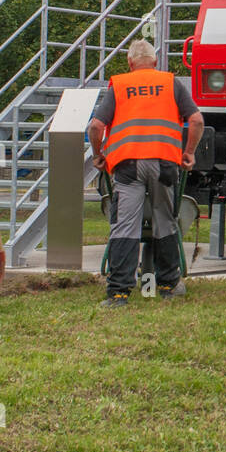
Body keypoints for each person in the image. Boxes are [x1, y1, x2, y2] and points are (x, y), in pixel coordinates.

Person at [89, 40, 203, 307]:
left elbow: (96, 126)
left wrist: (97, 155)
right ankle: (168, 285)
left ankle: (118, 293)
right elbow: (197, 120)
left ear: (130, 63)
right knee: (165, 221)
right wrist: (189, 153)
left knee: (125, 226)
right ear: (155, 62)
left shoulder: (119, 85)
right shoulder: (171, 83)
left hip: (127, 165)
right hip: (164, 163)